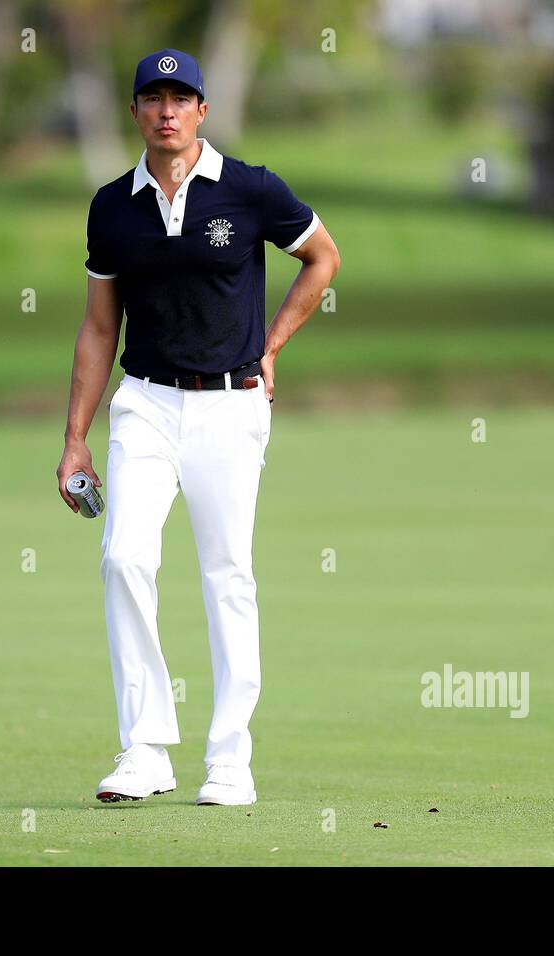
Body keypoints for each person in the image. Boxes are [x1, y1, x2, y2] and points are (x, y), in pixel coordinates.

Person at [57, 48, 340, 806]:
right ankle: (144, 751)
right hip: (144, 401)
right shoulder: (113, 205)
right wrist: (76, 436)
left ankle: (229, 760)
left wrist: (273, 343)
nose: (167, 110)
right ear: (135, 111)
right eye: (153, 96)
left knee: (226, 575)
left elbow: (321, 257)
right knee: (122, 559)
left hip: (230, 401)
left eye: (181, 97)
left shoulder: (249, 190)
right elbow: (97, 328)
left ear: (203, 110)